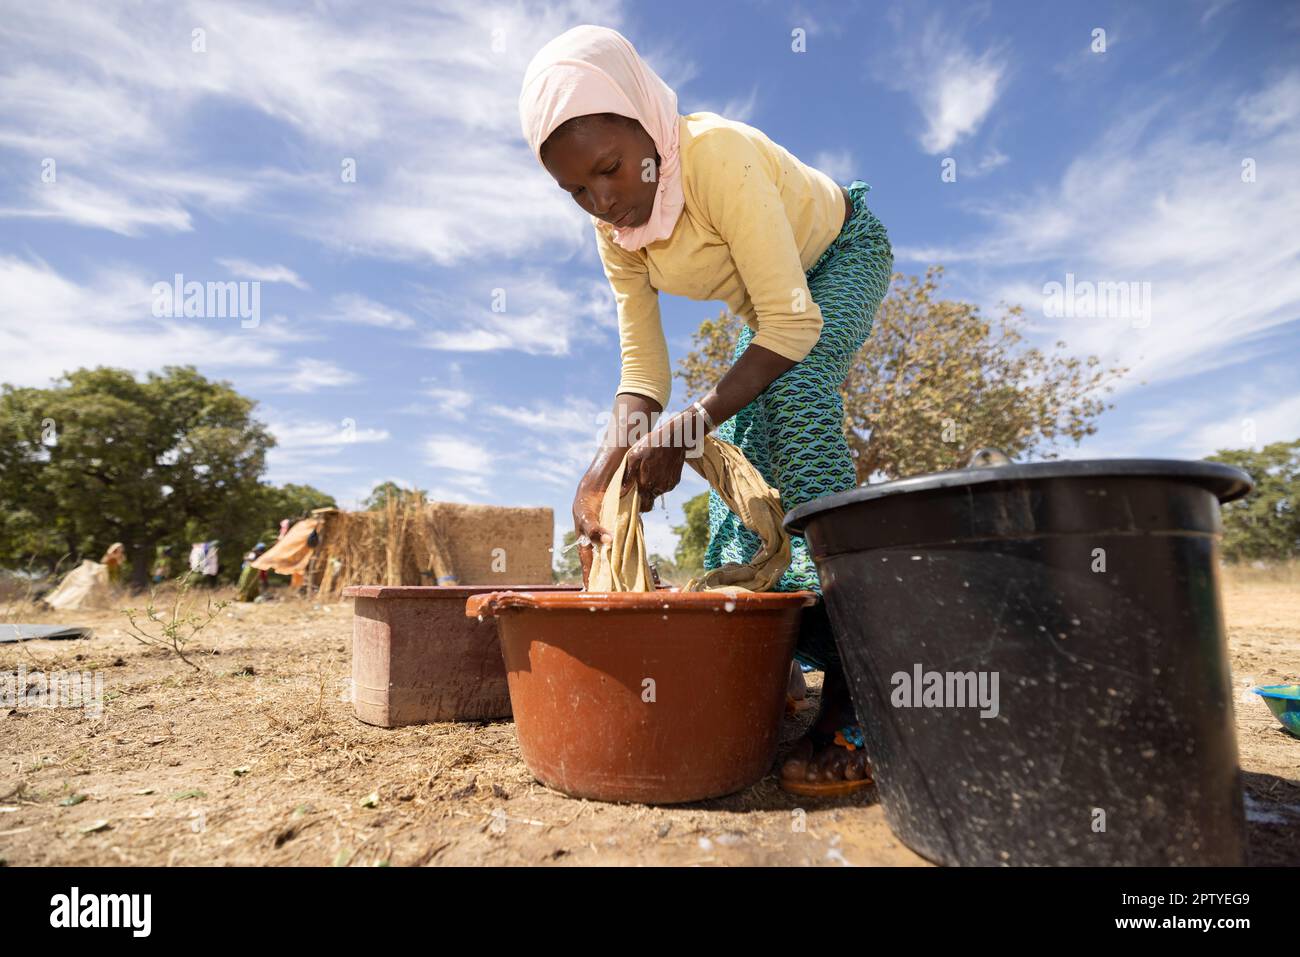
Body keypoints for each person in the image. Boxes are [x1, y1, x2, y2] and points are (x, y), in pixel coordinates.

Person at [519, 25, 894, 796]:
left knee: (794, 390)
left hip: (839, 255)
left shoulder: (716, 156)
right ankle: (771, 649)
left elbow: (794, 327)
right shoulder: (614, 233)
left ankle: (860, 701)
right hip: (775, 305)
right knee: (746, 467)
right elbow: (642, 371)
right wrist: (601, 473)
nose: (604, 199)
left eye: (612, 169)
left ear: (645, 120)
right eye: (578, 191)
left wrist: (684, 431)